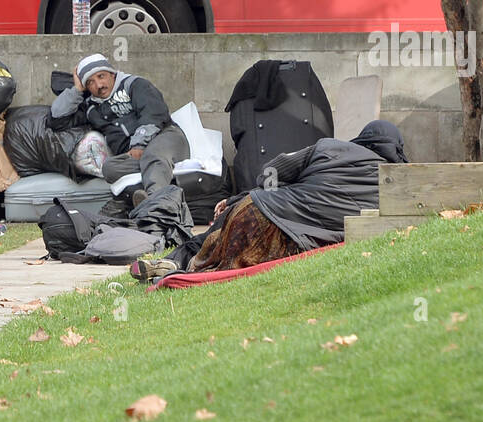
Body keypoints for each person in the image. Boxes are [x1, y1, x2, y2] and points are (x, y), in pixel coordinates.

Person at [184, 120, 408, 272]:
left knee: (207, 257)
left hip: (251, 211)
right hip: (293, 238)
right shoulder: (393, 185)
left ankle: (180, 265)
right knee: (222, 269)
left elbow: (271, 171)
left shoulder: (328, 147)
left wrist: (253, 195)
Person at [48, 53, 189, 203]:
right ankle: (147, 196)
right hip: (134, 156)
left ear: (112, 73)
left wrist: (139, 144)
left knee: (153, 157)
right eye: (90, 82)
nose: (99, 85)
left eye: (101, 76)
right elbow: (57, 119)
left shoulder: (134, 84)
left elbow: (154, 114)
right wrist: (77, 89)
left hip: (165, 137)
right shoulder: (91, 108)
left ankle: (154, 204)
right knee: (109, 168)